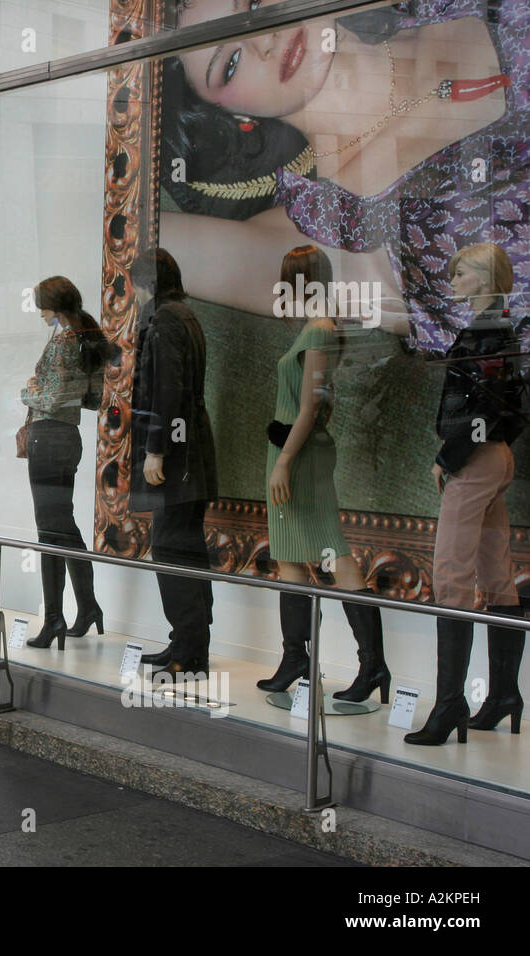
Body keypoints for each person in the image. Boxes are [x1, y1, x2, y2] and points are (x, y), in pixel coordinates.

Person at [159, 0, 528, 352]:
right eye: (231, 62)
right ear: (234, 118)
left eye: (254, 4)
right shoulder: (329, 231)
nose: (263, 40)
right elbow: (131, 238)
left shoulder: (438, 7)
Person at [257, 247, 391, 702]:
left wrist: (283, 461)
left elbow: (312, 407)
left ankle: (372, 665)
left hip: (299, 457)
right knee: (290, 554)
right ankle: (297, 656)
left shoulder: (319, 331)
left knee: (334, 553)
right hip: (289, 451)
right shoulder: (314, 329)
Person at [408, 242, 526, 745]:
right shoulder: (496, 330)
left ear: (482, 277)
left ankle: (451, 704)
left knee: (450, 578)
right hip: (494, 458)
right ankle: (502, 695)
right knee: (496, 575)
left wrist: (448, 458)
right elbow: (504, 409)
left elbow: (489, 408)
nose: (453, 279)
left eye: (461, 273)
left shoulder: (490, 332)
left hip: (477, 461)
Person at [129, 248, 218, 677]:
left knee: (172, 549)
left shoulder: (162, 319)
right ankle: (187, 644)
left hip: (177, 454)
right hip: (193, 448)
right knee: (186, 549)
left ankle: (187, 650)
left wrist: (155, 448)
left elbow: (166, 388)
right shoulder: (185, 315)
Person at [20, 276, 116, 649]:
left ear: (54, 306)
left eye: (42, 305)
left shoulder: (63, 341)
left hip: (49, 438)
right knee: (62, 529)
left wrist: (26, 389)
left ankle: (56, 619)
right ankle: (87, 607)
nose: (40, 312)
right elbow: (91, 399)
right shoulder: (84, 337)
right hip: (68, 439)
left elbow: (54, 394)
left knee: (50, 532)